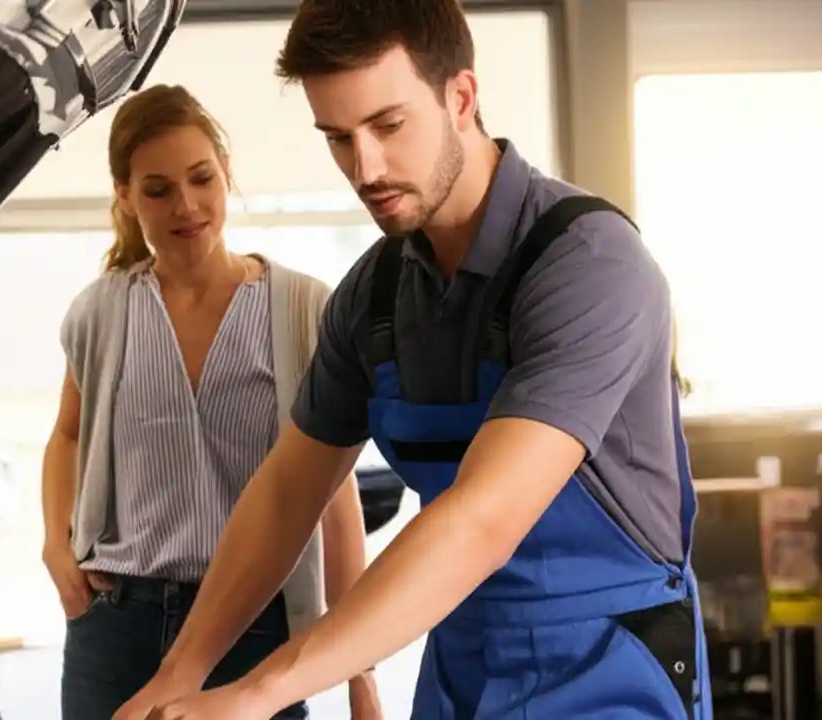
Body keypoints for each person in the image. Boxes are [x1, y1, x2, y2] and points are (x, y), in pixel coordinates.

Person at [113, 1, 714, 719]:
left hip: (608, 667)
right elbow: (286, 494)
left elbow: (481, 521)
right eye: (337, 137)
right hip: (462, 664)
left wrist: (258, 693)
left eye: (387, 126)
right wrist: (182, 673)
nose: (364, 167)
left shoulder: (588, 265)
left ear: (461, 97)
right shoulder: (374, 296)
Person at [40, 83, 384, 720]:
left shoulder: (302, 310)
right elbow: (65, 435)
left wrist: (361, 678)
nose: (187, 205)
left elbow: (334, 499)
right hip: (116, 625)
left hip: (256, 629)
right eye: (158, 189)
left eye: (202, 179)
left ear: (227, 175)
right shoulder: (101, 311)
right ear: (124, 194)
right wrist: (55, 546)